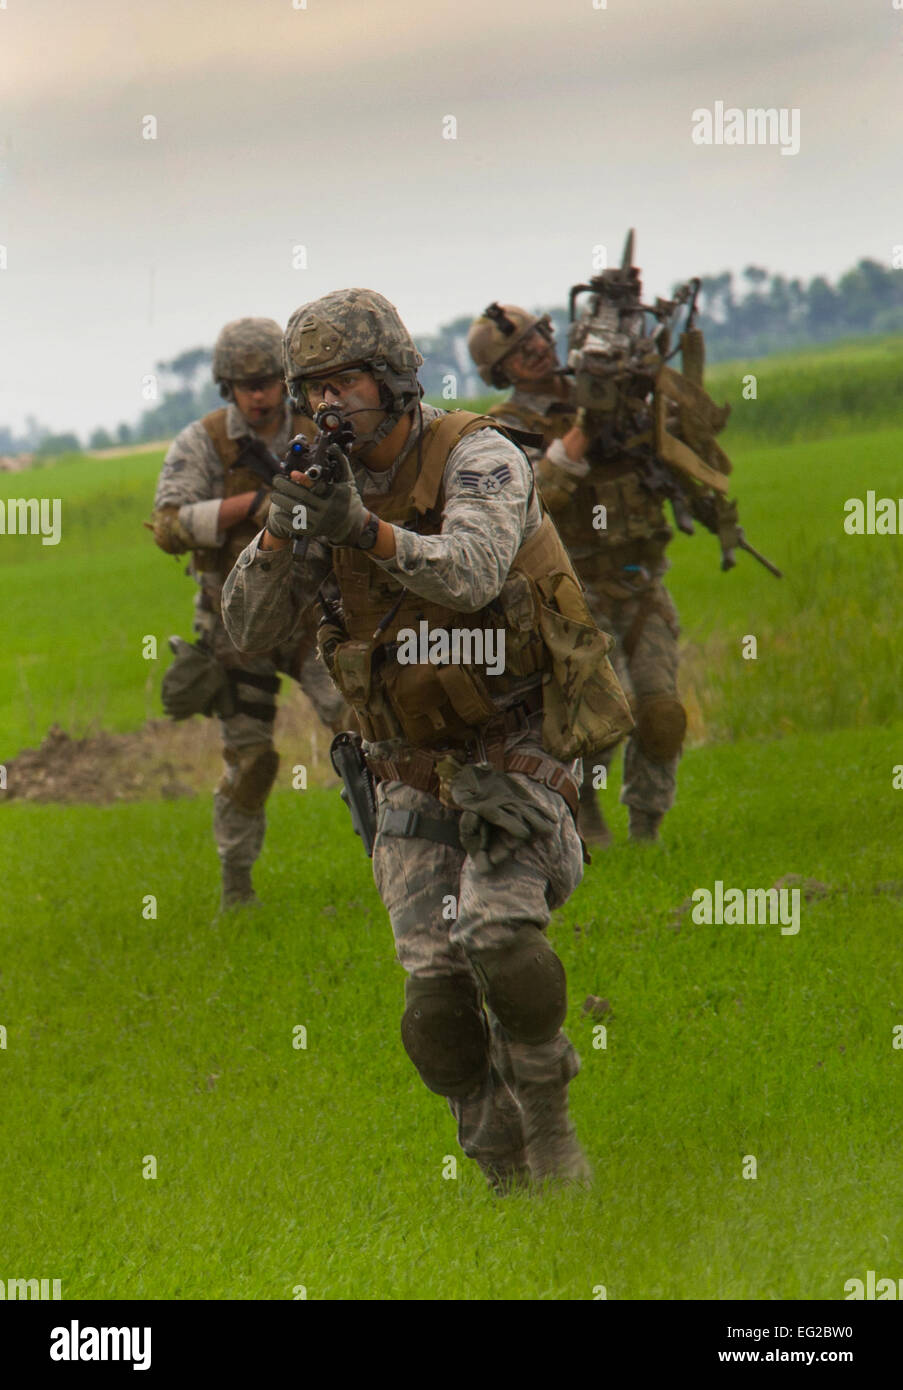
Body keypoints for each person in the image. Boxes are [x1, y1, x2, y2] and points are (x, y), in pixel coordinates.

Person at [221, 289, 631, 1191]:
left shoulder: (476, 455)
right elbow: (246, 630)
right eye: (313, 389)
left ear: (396, 380)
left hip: (517, 744)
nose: (330, 406)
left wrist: (364, 533)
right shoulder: (319, 482)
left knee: (495, 933)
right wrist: (285, 532)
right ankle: (498, 1167)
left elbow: (476, 572)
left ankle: (553, 1130)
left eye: (348, 383)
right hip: (405, 767)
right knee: (435, 995)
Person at [468, 300, 690, 846]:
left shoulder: (613, 394)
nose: (537, 351)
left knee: (662, 712)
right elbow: (538, 493)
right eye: (519, 352)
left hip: (641, 578)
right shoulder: (505, 429)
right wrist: (588, 428)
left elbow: (676, 445)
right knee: (601, 721)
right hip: (575, 590)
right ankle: (585, 807)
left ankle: (648, 829)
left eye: (539, 338)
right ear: (502, 371)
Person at [149, 317, 349, 911]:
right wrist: (254, 505)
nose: (257, 394)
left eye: (266, 380)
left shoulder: (323, 431)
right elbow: (168, 527)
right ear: (226, 386)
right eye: (244, 383)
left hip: (316, 617)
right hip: (236, 626)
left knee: (365, 734)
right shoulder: (204, 443)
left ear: (284, 381)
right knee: (252, 759)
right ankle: (237, 886)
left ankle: (397, 864)